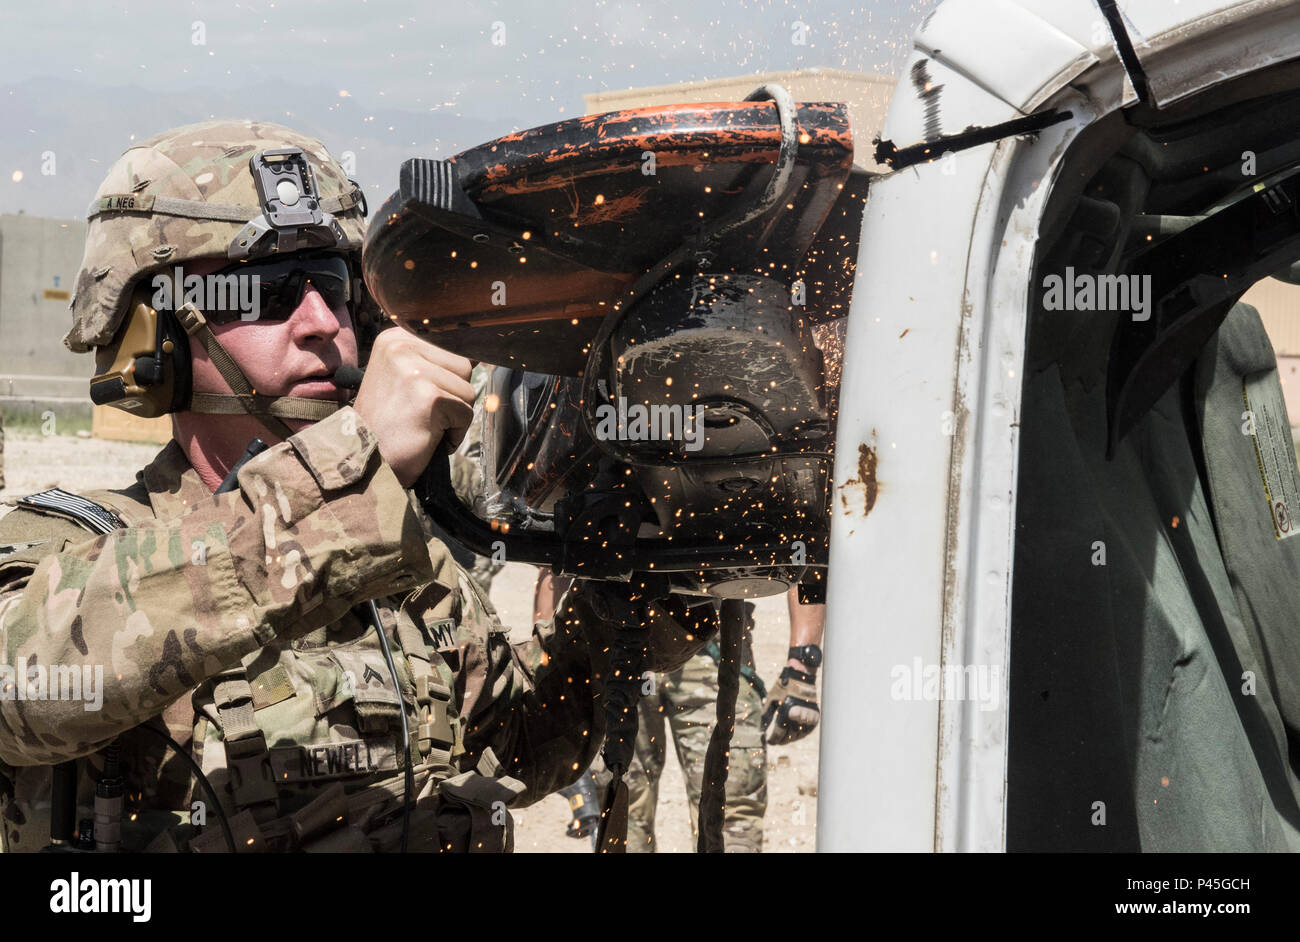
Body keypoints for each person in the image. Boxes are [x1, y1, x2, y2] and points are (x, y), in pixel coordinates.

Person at [0, 120, 713, 853]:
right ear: (155, 334)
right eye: (268, 291)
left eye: (333, 287)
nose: (320, 323)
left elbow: (519, 747)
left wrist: (638, 597)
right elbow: (21, 687)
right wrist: (350, 467)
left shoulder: (406, 558)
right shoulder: (71, 544)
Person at [534, 569, 823, 852]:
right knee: (620, 810)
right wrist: (545, 669)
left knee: (732, 812)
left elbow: (806, 544)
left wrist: (801, 665)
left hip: (714, 649)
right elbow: (558, 556)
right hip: (613, 644)